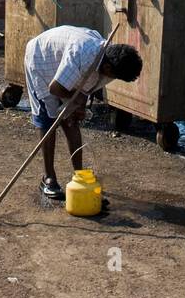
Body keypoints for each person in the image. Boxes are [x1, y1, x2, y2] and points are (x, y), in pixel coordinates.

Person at [23, 25, 142, 200]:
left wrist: (78, 106)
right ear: (109, 69)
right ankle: (48, 178)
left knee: (71, 121)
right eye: (115, 76)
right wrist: (76, 100)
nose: (113, 80)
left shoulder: (110, 62)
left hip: (64, 67)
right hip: (41, 62)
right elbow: (55, 88)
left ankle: (79, 176)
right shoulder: (82, 55)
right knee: (48, 122)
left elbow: (88, 86)